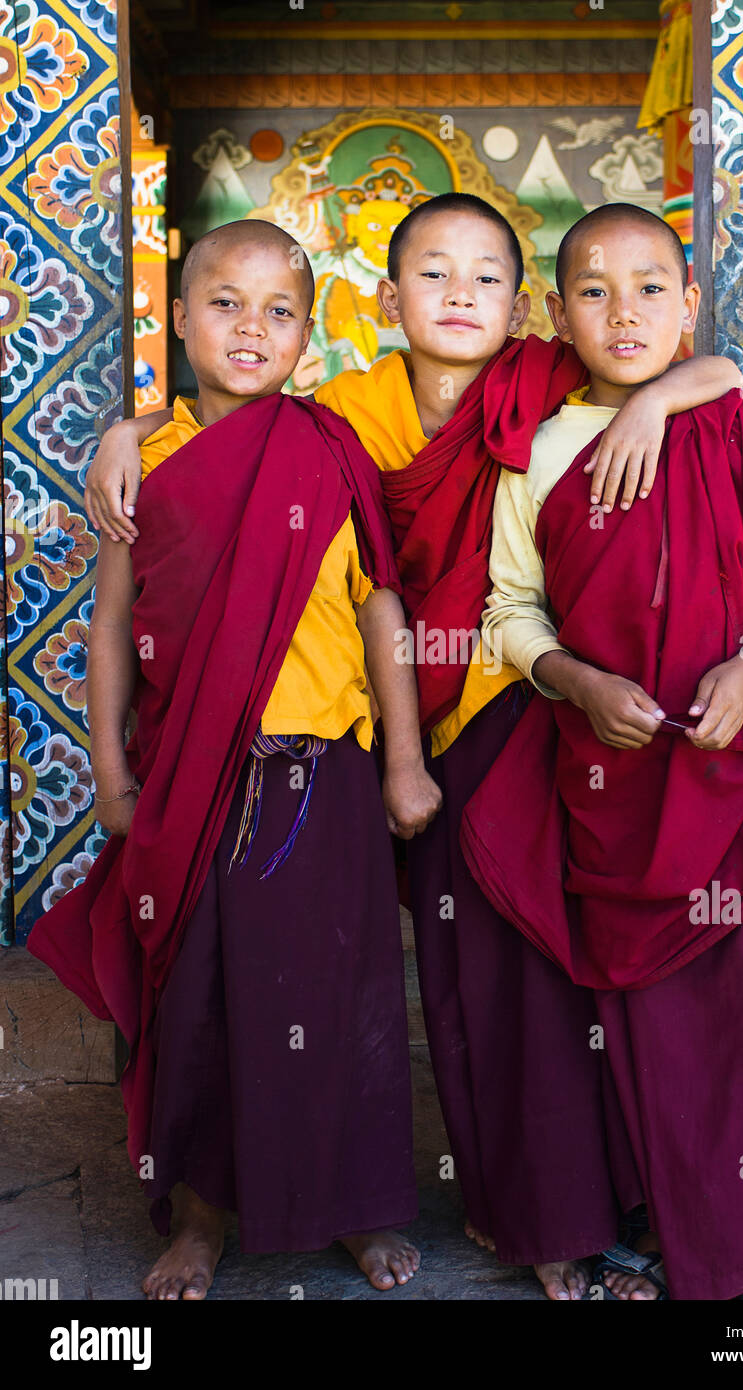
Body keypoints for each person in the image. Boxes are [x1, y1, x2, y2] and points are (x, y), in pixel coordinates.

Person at [84, 196, 743, 1300]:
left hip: (496, 715)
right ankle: (274, 1212)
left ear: (522, 300)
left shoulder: (506, 387)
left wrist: (655, 401)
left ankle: (539, 1209)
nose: (456, 296)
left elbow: (708, 374)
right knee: (308, 989)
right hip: (305, 749)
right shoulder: (330, 413)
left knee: (457, 984)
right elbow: (179, 514)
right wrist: (131, 424)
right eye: (430, 275)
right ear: (384, 301)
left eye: (483, 276)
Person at [461, 203, 743, 1300]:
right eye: (594, 290)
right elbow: (507, 610)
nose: (624, 311)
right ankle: (666, 1222)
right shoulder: (538, 451)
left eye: (651, 286)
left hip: (731, 764)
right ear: (554, 313)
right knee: (642, 1025)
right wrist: (573, 680)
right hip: (610, 778)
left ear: (689, 302)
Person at [27, 220, 443, 1300]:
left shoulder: (330, 444)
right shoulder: (149, 459)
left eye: (279, 309)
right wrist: (112, 778)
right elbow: (112, 627)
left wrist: (404, 760)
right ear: (174, 315)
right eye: (224, 301)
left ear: (312, 330)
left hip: (325, 776)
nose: (250, 327)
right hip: (198, 780)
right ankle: (203, 1218)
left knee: (344, 996)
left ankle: (353, 1208)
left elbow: (381, 609)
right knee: (197, 1000)